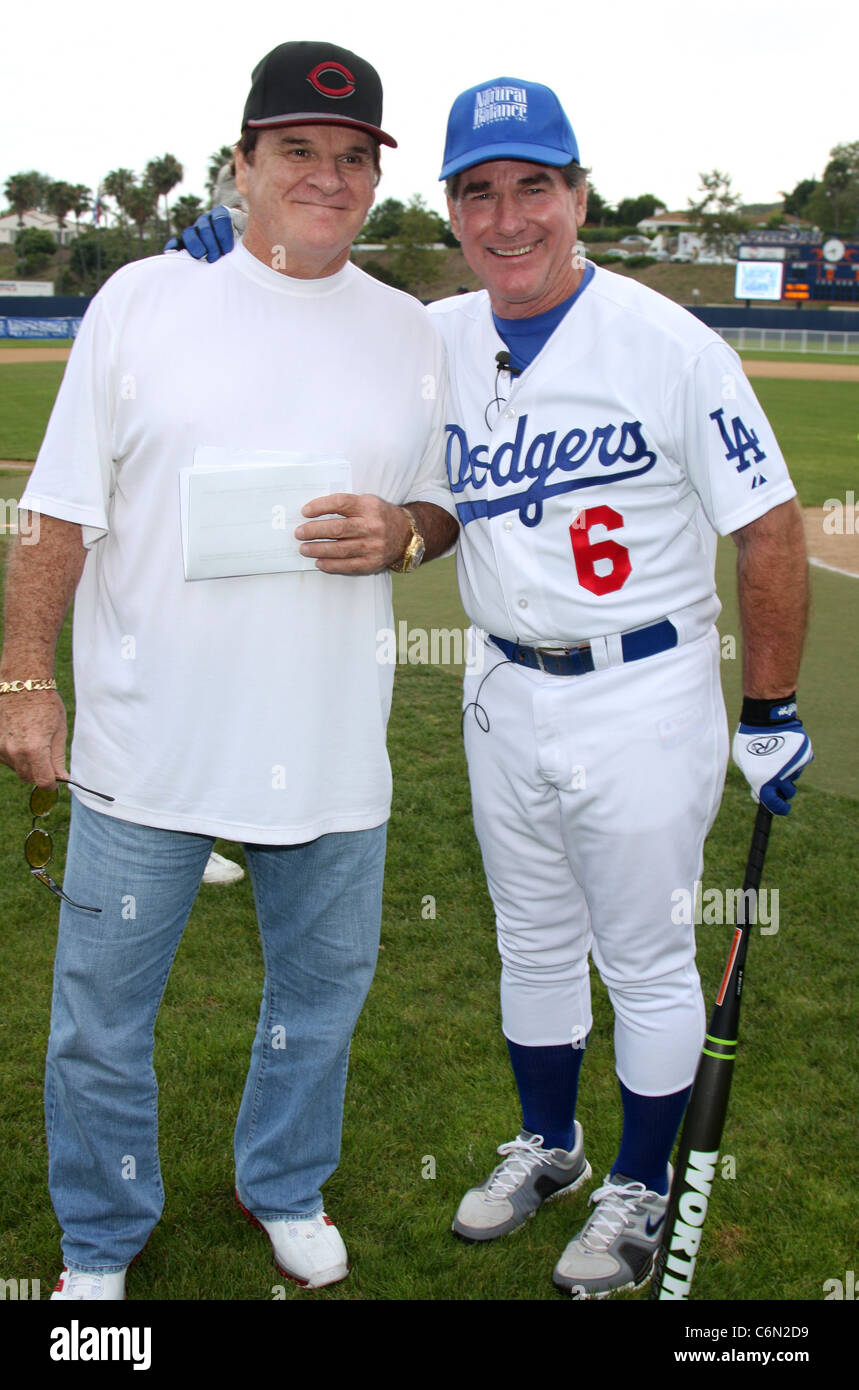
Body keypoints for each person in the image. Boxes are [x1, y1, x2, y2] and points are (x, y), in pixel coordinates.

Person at [174, 75, 813, 1300]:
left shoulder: (669, 343)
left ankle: (638, 1180)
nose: (506, 217)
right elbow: (313, 343)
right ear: (453, 209)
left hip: (642, 688)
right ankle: (551, 1147)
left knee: (641, 958)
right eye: (479, 192)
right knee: (530, 939)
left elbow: (770, 528)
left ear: (578, 198)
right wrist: (231, 262)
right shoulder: (440, 336)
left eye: (534, 188)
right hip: (502, 689)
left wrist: (771, 708)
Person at [0, 39, 458, 1301]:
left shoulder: (412, 334)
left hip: (327, 749)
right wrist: (21, 678)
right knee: (99, 1020)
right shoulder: (143, 301)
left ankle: (285, 1183)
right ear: (243, 162)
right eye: (296, 151)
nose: (325, 175)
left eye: (351, 158)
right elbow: (58, 512)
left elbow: (440, 505)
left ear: (374, 180)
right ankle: (100, 1237)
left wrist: (407, 531)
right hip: (146, 747)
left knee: (317, 1002)